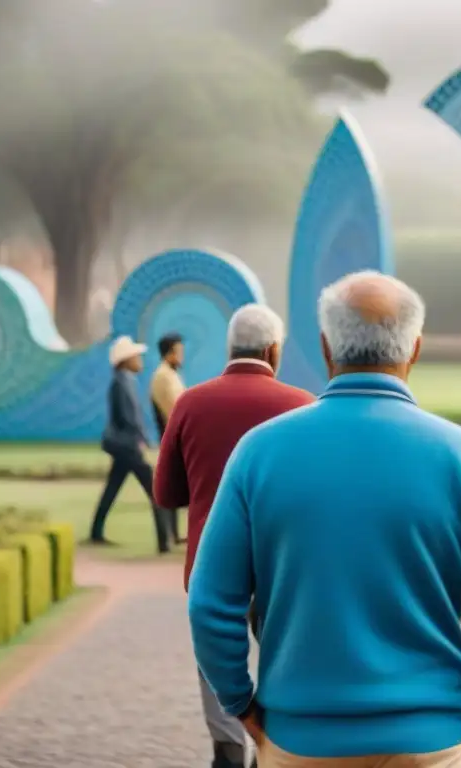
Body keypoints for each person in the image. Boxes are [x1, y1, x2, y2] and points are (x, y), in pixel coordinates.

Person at [188, 271, 461, 768]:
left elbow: (210, 603)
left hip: (299, 740)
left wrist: (239, 704)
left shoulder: (258, 452)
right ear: (415, 349)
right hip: (429, 740)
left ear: (325, 347)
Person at [155, 305, 315, 768]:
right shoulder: (301, 405)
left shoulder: (191, 403)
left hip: (210, 562)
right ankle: (280, 745)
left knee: (215, 662)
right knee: (282, 660)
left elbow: (166, 493)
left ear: (231, 348)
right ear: (273, 350)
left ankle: (228, 746)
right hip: (279, 567)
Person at [90, 335, 169, 554]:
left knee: (112, 487)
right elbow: (130, 417)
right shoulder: (123, 382)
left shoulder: (123, 380)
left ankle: (96, 532)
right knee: (156, 490)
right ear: (126, 360)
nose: (139, 360)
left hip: (122, 445)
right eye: (136, 356)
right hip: (127, 446)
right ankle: (164, 542)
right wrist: (143, 441)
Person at [150, 332, 187, 545]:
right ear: (170, 353)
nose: (182, 356)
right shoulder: (164, 376)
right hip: (172, 439)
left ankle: (171, 535)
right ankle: (167, 538)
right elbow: (175, 408)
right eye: (179, 352)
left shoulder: (169, 375)